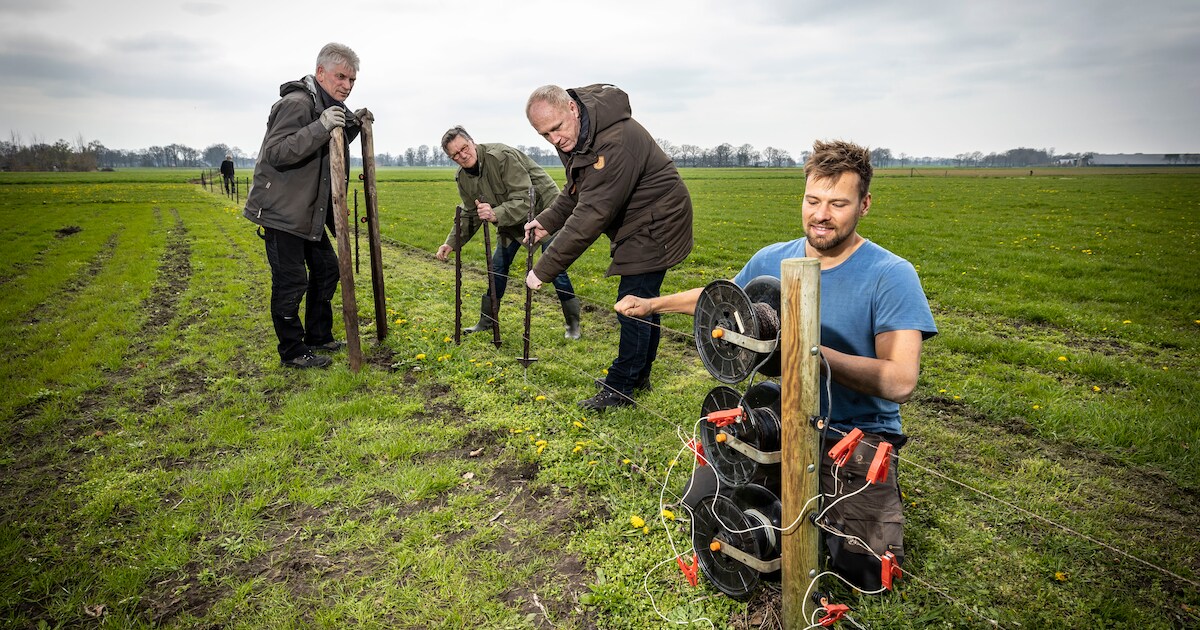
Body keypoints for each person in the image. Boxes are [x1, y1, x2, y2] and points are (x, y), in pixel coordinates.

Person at [615, 140, 937, 589]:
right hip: (775, 417)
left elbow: (900, 380)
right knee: (712, 517)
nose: (821, 214)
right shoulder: (772, 259)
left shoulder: (891, 274)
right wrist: (653, 303)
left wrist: (810, 354)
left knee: (865, 576)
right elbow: (725, 299)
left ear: (864, 205)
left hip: (853, 431)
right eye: (813, 200)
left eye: (838, 203)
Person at [523, 84, 693, 411]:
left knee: (631, 305)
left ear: (572, 108)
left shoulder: (613, 142)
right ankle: (638, 376)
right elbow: (577, 191)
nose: (554, 139)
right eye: (544, 135)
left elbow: (592, 213)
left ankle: (620, 388)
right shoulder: (579, 135)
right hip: (636, 218)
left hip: (657, 221)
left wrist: (543, 270)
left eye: (556, 128)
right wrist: (547, 221)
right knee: (643, 303)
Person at [243, 42, 370, 369]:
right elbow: (277, 152)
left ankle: (317, 335)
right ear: (320, 73)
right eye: (341, 77)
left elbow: (326, 148)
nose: (347, 85)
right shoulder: (297, 104)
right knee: (291, 281)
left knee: (327, 269)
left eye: (352, 80)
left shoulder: (324, 108)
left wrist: (353, 125)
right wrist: (322, 125)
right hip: (282, 211)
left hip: (307, 211)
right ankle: (292, 351)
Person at [434, 126, 582, 340]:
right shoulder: (463, 178)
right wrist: (451, 243)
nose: (462, 155)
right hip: (509, 220)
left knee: (553, 267)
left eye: (464, 148)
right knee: (497, 266)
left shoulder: (501, 157)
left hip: (545, 212)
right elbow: (469, 214)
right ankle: (487, 321)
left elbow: (524, 198)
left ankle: (573, 324)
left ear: (472, 142)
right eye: (455, 155)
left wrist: (494, 213)